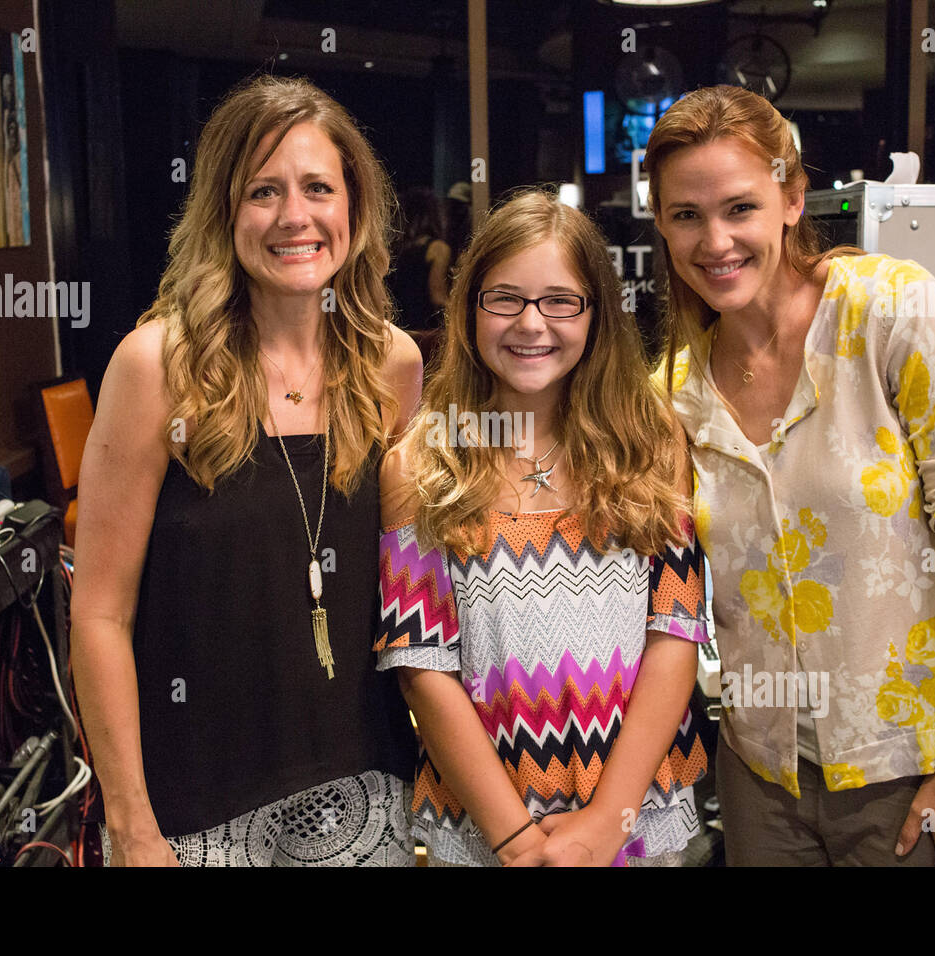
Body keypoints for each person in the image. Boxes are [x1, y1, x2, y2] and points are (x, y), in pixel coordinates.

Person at [644, 85, 935, 866]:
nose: (715, 241)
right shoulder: (673, 390)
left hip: (914, 770)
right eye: (687, 215)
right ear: (661, 226)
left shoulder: (887, 308)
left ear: (791, 199)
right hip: (759, 775)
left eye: (739, 208)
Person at [70, 75, 423, 867]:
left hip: (367, 790)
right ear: (224, 213)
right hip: (193, 810)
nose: (294, 217)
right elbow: (98, 616)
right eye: (263, 191)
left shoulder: (392, 366)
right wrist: (131, 829)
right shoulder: (157, 367)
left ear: (354, 208)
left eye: (317, 188)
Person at [376, 188, 709, 866]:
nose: (532, 324)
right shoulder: (422, 462)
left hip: (633, 813)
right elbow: (421, 666)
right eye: (505, 298)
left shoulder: (650, 441)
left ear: (597, 315)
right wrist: (519, 843)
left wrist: (606, 823)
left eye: (561, 300)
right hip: (487, 827)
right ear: (470, 308)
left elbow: (674, 632)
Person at [388, 186, 452, 370]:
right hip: (424, 336)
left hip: (397, 333)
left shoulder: (393, 249)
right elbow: (437, 296)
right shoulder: (437, 248)